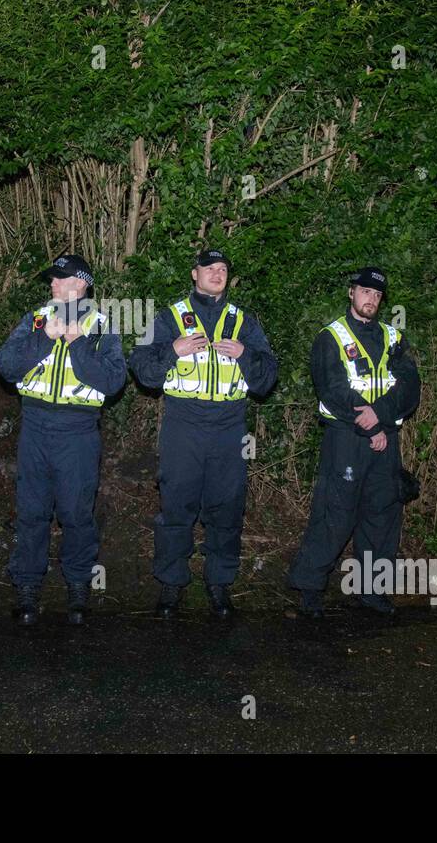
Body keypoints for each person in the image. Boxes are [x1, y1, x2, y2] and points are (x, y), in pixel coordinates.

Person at [127, 249, 277, 618]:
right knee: (176, 506)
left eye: (223, 269)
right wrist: (172, 350)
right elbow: (142, 368)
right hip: (183, 425)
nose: (217, 273)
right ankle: (171, 584)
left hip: (230, 427)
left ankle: (219, 583)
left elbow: (268, 377)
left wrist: (245, 354)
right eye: (210, 268)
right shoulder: (169, 317)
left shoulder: (243, 322)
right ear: (195, 274)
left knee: (227, 507)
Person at [0, 254, 127, 625]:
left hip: (78, 433)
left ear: (81, 284)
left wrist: (79, 345)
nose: (52, 284)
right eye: (52, 278)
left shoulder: (102, 326)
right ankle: (26, 588)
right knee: (32, 512)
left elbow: (113, 382)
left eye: (60, 278)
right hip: (35, 428)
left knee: (76, 513)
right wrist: (44, 339)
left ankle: (78, 589)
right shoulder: (36, 319)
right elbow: (5, 366)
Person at [287, 267, 420, 617]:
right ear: (351, 293)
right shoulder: (330, 337)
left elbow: (410, 387)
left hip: (385, 439)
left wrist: (380, 414)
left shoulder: (394, 339)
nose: (371, 299)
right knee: (335, 513)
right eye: (365, 292)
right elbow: (331, 390)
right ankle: (310, 589)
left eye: (377, 295)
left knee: (382, 515)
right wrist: (369, 425)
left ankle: (372, 592)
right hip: (346, 437)